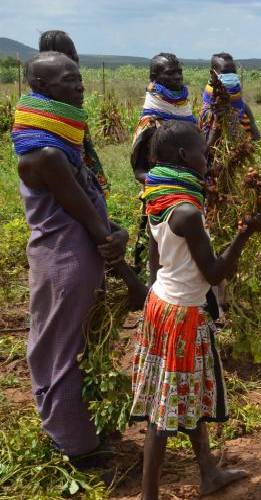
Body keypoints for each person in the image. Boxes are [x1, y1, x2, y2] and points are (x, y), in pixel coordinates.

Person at [12, 52, 144, 461]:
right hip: (66, 263)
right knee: (59, 352)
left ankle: (84, 433)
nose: (80, 85)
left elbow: (94, 214)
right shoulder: (48, 154)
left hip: (73, 260)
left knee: (74, 346)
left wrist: (118, 232)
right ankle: (76, 445)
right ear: (43, 88)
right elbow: (91, 221)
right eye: (69, 80)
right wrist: (130, 275)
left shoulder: (59, 146)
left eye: (79, 77)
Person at [132, 120, 261, 499]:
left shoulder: (156, 196)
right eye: (200, 151)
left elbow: (158, 261)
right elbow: (212, 273)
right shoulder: (188, 211)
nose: (206, 157)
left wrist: (151, 296)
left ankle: (209, 473)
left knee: (186, 394)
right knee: (163, 416)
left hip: (162, 304)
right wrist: (247, 232)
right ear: (182, 156)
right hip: (181, 316)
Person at [131, 53, 197, 284]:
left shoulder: (186, 114)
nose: (177, 76)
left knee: (192, 253)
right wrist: (168, 185)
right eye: (170, 72)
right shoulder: (150, 123)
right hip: (161, 200)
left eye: (179, 71)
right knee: (158, 253)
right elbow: (138, 171)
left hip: (192, 198)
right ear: (154, 78)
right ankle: (156, 305)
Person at [38, 30, 109, 196]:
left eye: (73, 56)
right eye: (63, 56)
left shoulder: (71, 95)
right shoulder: (43, 108)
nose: (71, 62)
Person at [199, 52, 261, 143]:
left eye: (233, 72)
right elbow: (205, 146)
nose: (231, 76)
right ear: (213, 73)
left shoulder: (243, 107)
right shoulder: (208, 109)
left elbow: (256, 138)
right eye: (225, 73)